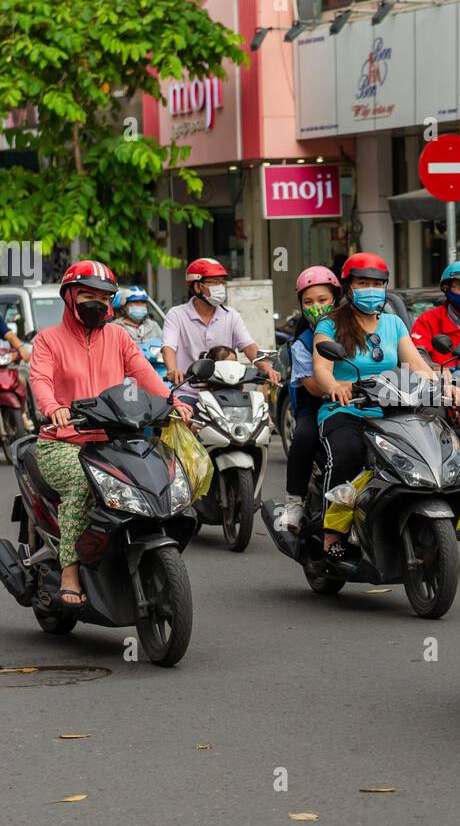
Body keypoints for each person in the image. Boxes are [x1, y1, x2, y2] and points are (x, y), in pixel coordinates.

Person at [27, 261, 193, 609]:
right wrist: (52, 407)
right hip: (63, 442)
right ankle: (70, 569)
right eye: (87, 294)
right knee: (83, 485)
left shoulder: (118, 336)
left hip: (113, 440)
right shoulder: (48, 340)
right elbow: (40, 379)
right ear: (69, 297)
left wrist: (172, 401)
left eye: (104, 297)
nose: (96, 303)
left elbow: (144, 374)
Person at [312, 252, 453, 559]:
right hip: (346, 409)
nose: (371, 288)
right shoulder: (330, 324)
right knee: (347, 453)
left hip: (390, 409)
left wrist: (437, 382)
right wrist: (335, 385)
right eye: (363, 282)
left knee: (432, 445)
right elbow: (321, 369)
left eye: (377, 283)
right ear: (349, 287)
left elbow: (415, 362)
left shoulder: (393, 323)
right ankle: (332, 532)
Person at [274, 267, 341, 533]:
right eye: (308, 302)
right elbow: (313, 387)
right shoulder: (301, 343)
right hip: (314, 404)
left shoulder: (352, 328)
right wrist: (338, 387)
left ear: (336, 298)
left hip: (356, 402)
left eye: (322, 300)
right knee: (304, 436)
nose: (316, 307)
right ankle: (294, 502)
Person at [162, 259, 278, 389]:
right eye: (214, 282)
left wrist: (268, 369)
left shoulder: (231, 315)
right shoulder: (177, 315)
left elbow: (249, 347)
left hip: (226, 391)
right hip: (188, 392)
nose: (220, 286)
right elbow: (169, 347)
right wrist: (173, 369)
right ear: (197, 286)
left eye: (222, 282)